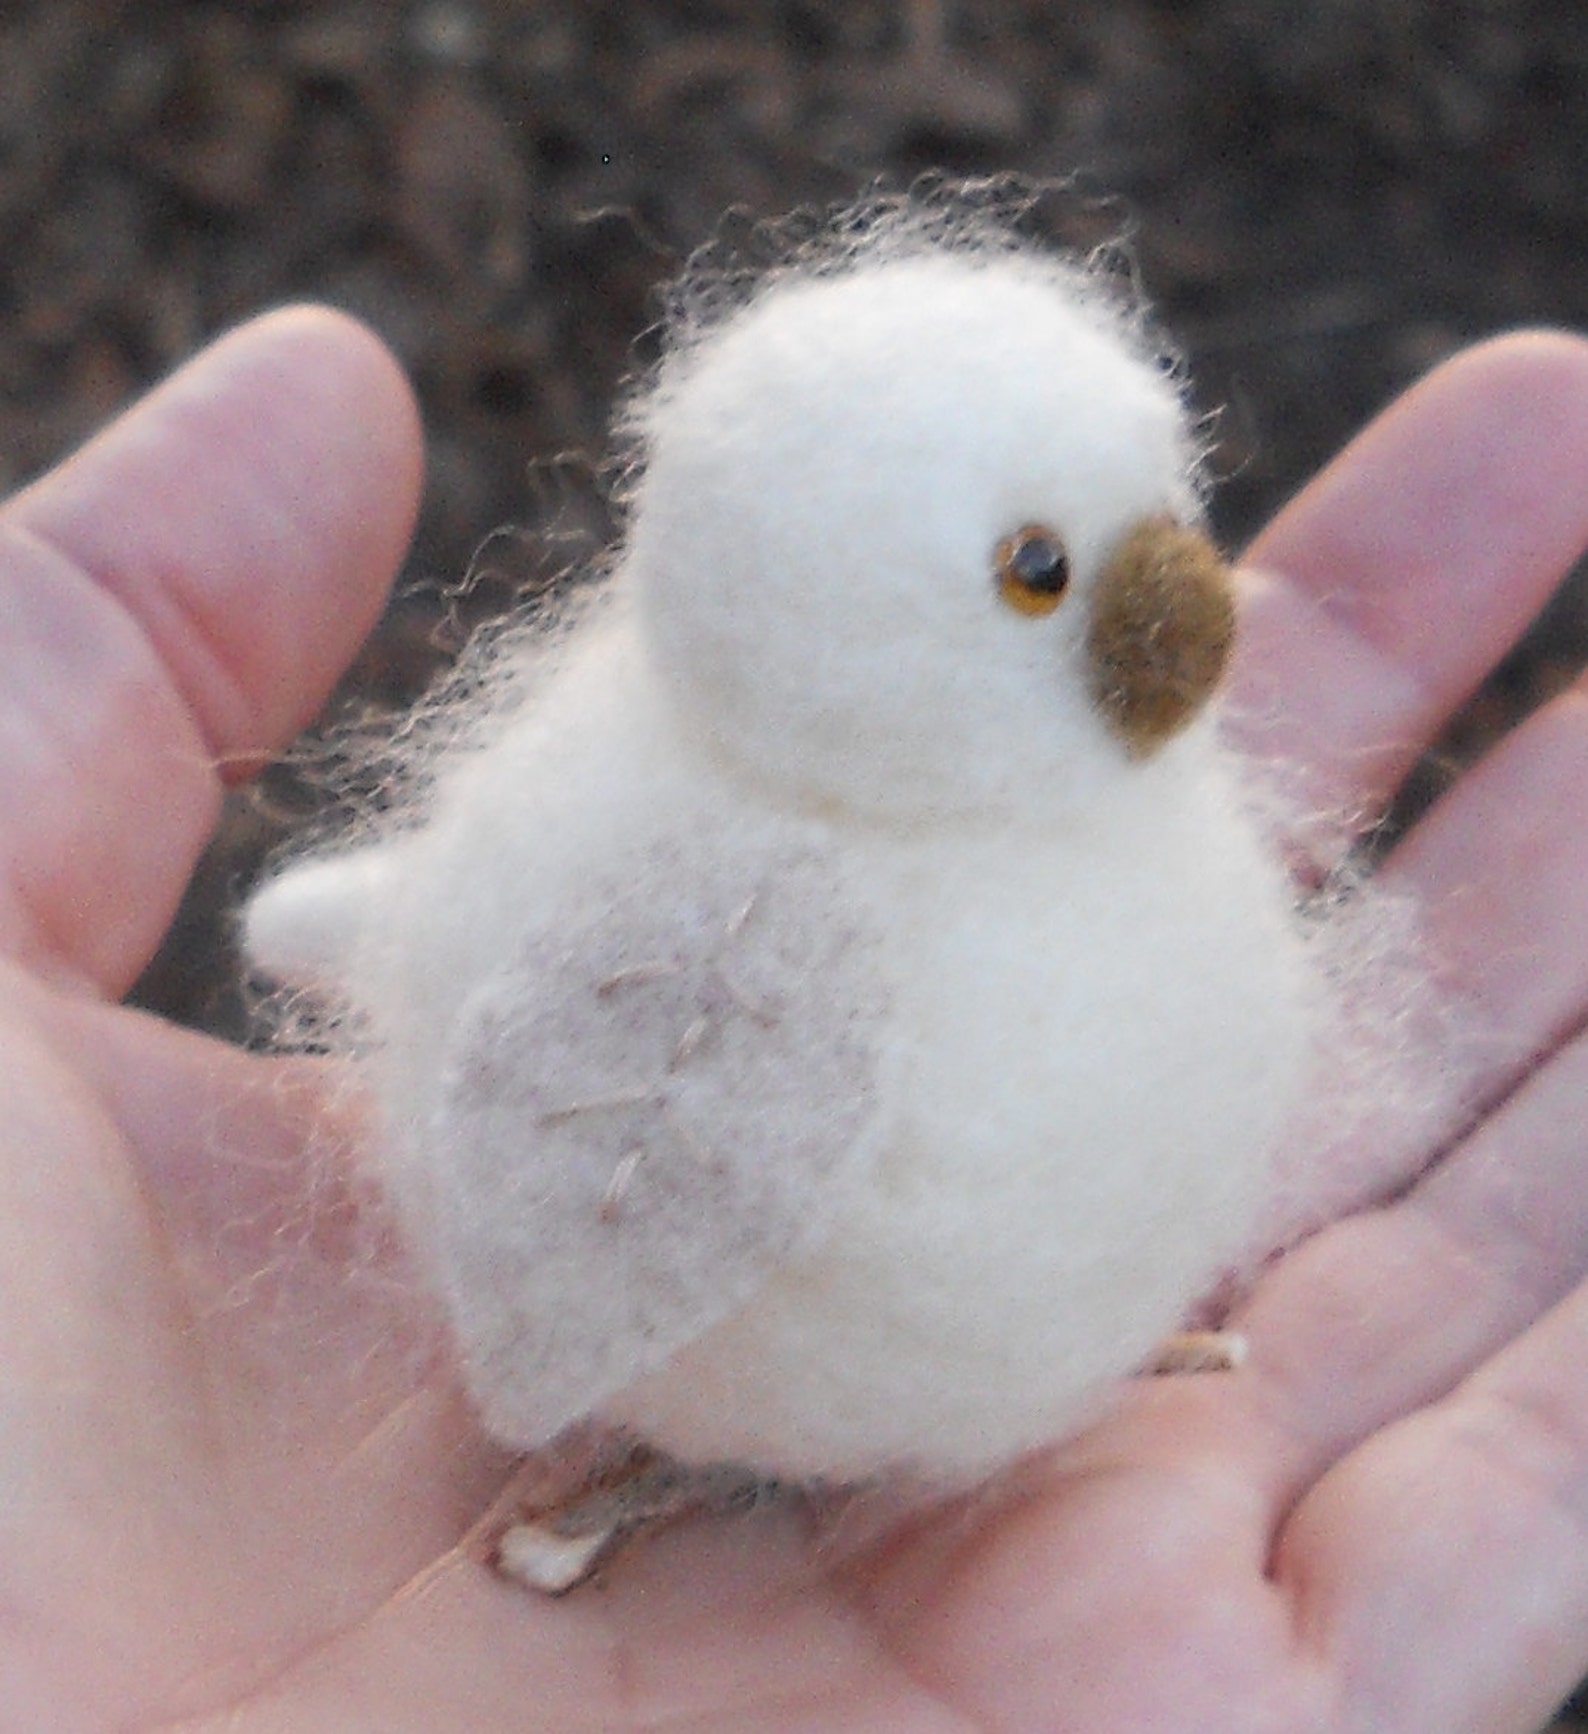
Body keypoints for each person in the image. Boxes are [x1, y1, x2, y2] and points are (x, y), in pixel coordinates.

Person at [3, 304, 1588, 1733]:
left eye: (1151, 521)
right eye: (1043, 567)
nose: (1183, 611)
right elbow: (585, 1138)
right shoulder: (754, 946)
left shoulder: (1128, 824)